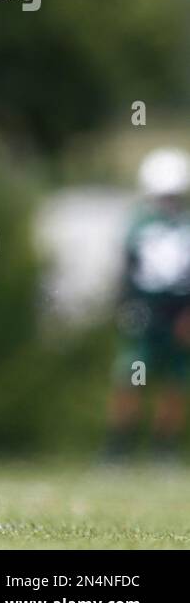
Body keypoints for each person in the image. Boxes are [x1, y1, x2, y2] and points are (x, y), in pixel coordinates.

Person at [102, 148, 190, 463]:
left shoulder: (183, 225)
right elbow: (126, 270)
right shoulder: (137, 224)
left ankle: (163, 451)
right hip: (145, 311)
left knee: (175, 383)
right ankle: (117, 450)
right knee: (131, 377)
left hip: (179, 311)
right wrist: (124, 304)